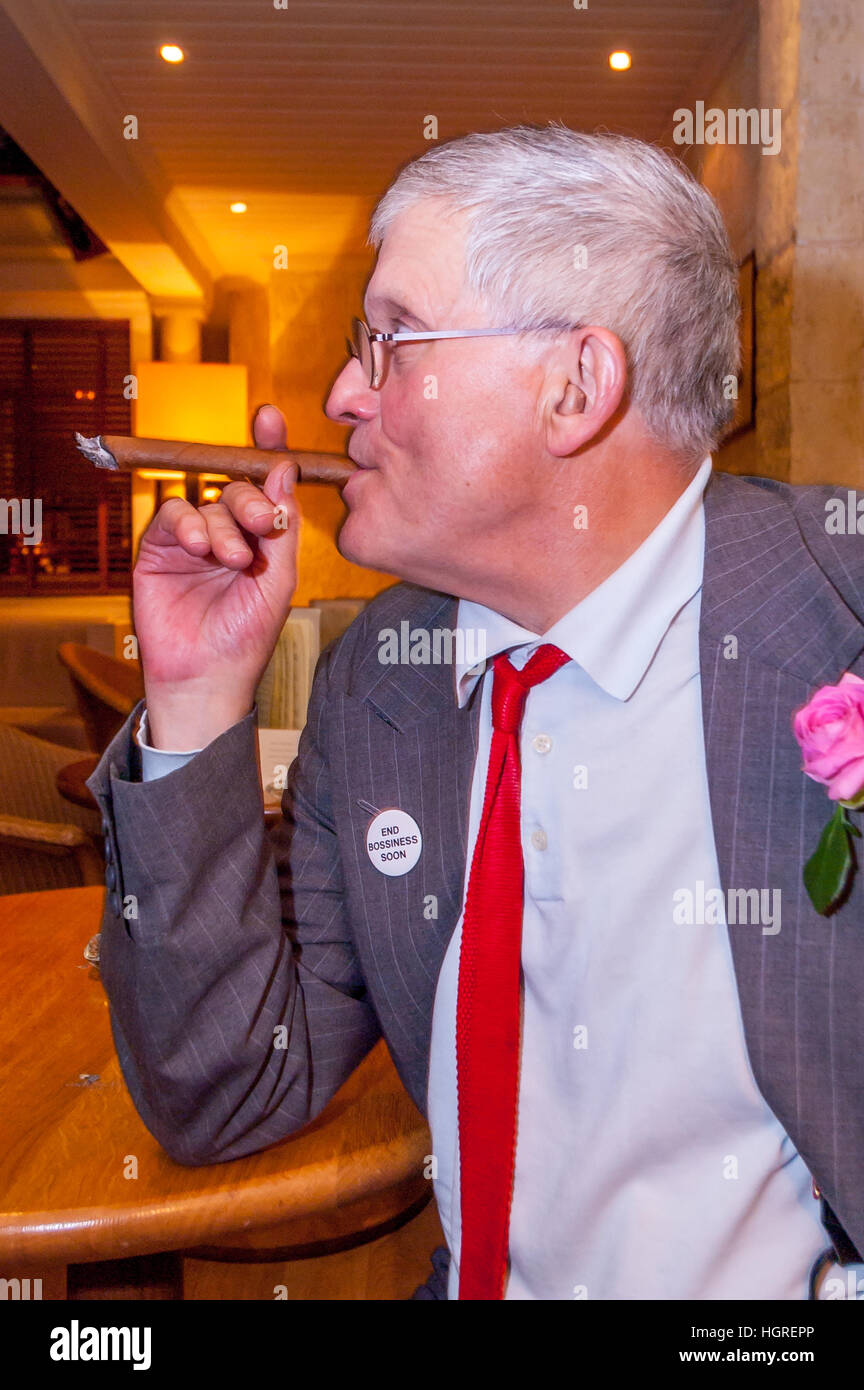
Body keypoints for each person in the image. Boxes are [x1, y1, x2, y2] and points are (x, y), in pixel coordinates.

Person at [87, 125, 864, 1300]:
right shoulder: (381, 679)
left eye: (391, 340)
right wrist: (194, 699)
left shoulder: (839, 609)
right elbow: (225, 1090)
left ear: (575, 386)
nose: (345, 391)